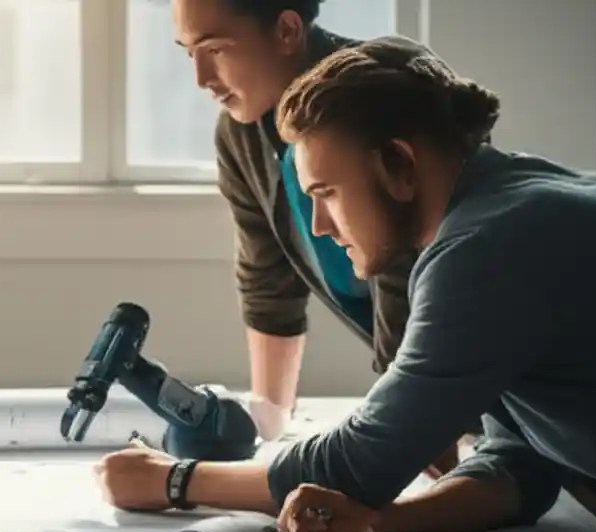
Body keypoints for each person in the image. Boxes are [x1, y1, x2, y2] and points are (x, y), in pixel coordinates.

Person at [96, 39, 596, 532]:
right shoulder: (511, 205)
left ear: (400, 164)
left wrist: (175, 481)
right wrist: (372, 523)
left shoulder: (485, 249)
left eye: (326, 193)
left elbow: (357, 463)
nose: (318, 225)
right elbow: (518, 469)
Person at [176, 0, 462, 475]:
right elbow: (266, 278)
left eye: (217, 49)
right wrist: (267, 422)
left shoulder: (381, 94)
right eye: (189, 54)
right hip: (419, 384)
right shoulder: (241, 132)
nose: (201, 78)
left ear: (287, 31)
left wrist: (410, 429)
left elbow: (408, 270)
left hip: (466, 364)